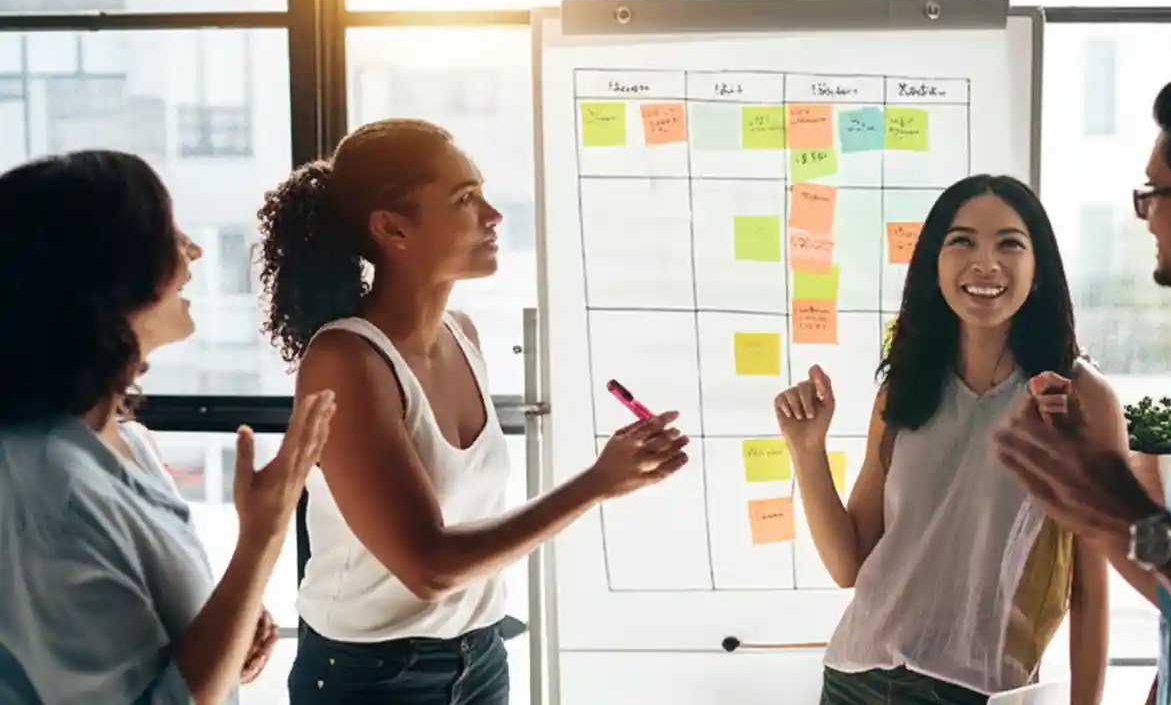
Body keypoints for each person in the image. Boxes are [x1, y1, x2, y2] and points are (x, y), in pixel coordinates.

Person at [256, 118, 689, 703]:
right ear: (392, 228)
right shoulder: (345, 358)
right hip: (372, 675)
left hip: (481, 654)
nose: (493, 215)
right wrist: (596, 483)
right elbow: (428, 565)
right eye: (464, 199)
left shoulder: (463, 335)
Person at [0, 150, 335, 703]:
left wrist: (228, 621)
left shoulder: (126, 443)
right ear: (104, 276)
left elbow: (164, 657)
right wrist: (263, 538)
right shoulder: (48, 491)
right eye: (168, 234)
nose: (194, 251)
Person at [993, 61, 1171, 704]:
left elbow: (1168, 550)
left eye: (1156, 194)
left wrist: (1133, 515)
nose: (1144, 216)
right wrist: (1091, 503)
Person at [774, 174, 1112, 704]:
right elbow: (849, 564)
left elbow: (1091, 588)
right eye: (962, 242)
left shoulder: (1078, 396)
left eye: (1009, 244)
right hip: (853, 678)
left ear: (1039, 269)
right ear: (934, 262)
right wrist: (806, 449)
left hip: (976, 689)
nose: (985, 263)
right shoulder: (904, 388)